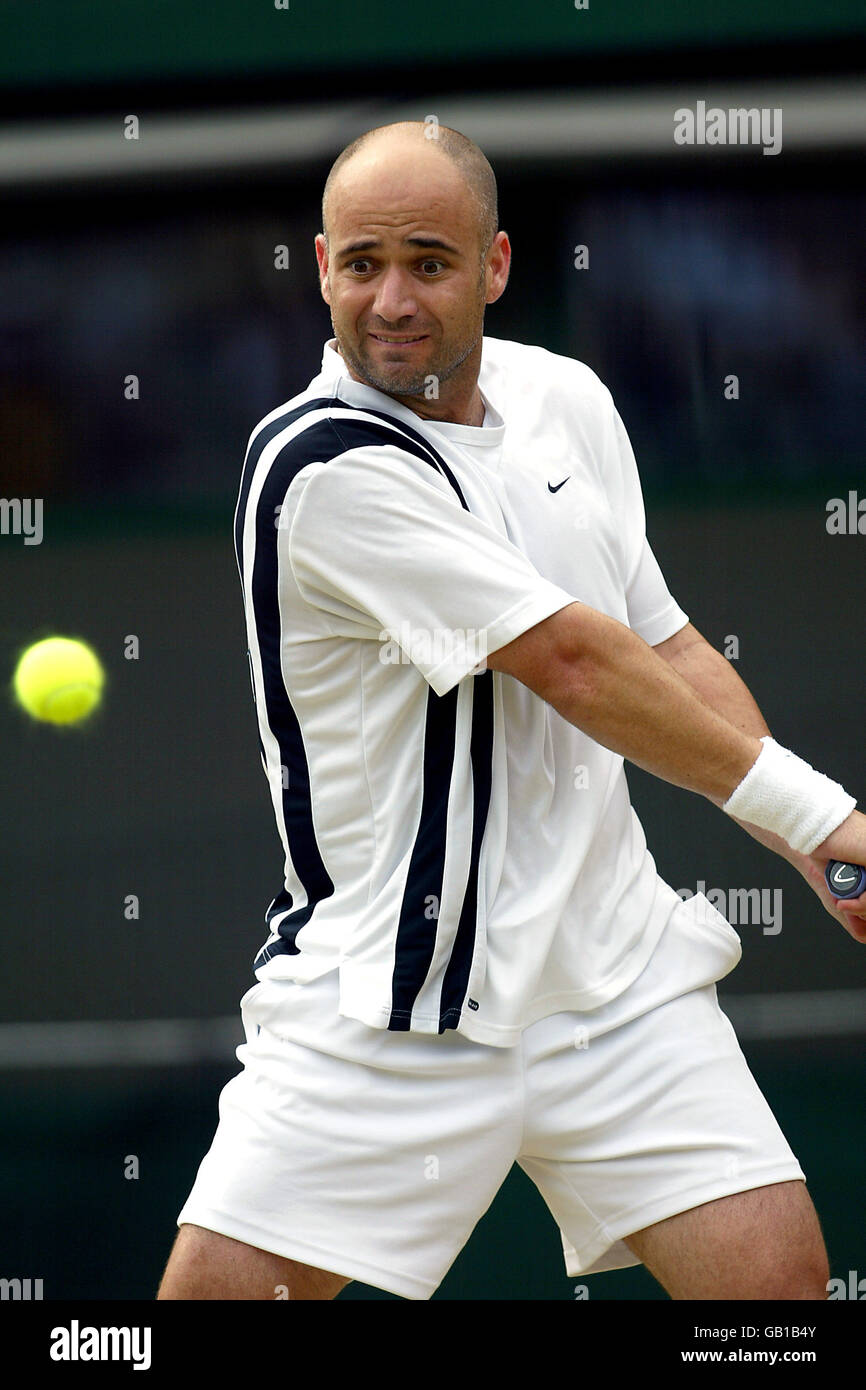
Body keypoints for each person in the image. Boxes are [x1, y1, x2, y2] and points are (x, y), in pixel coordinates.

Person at [157, 121, 866, 1302]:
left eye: (428, 263)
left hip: (616, 984)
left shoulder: (563, 399)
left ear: (492, 266)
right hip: (394, 1008)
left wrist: (814, 846)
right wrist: (833, 814)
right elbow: (574, 663)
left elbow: (664, 645)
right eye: (361, 263)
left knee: (777, 1294)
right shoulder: (318, 463)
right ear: (319, 264)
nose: (390, 299)